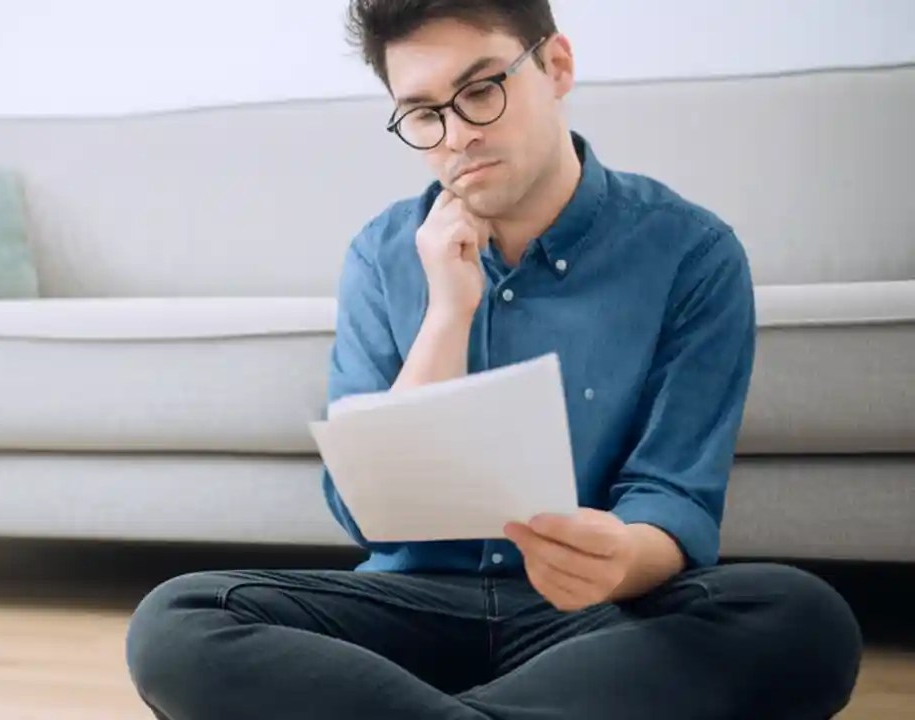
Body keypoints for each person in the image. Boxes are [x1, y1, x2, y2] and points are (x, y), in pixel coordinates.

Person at [124, 1, 863, 718]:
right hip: (408, 611)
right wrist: (448, 312)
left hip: (597, 624)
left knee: (802, 619)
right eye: (422, 113)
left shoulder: (692, 254)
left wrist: (624, 555)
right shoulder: (382, 256)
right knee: (179, 618)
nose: (456, 136)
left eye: (480, 90)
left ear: (556, 65)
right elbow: (368, 517)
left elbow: (675, 499)